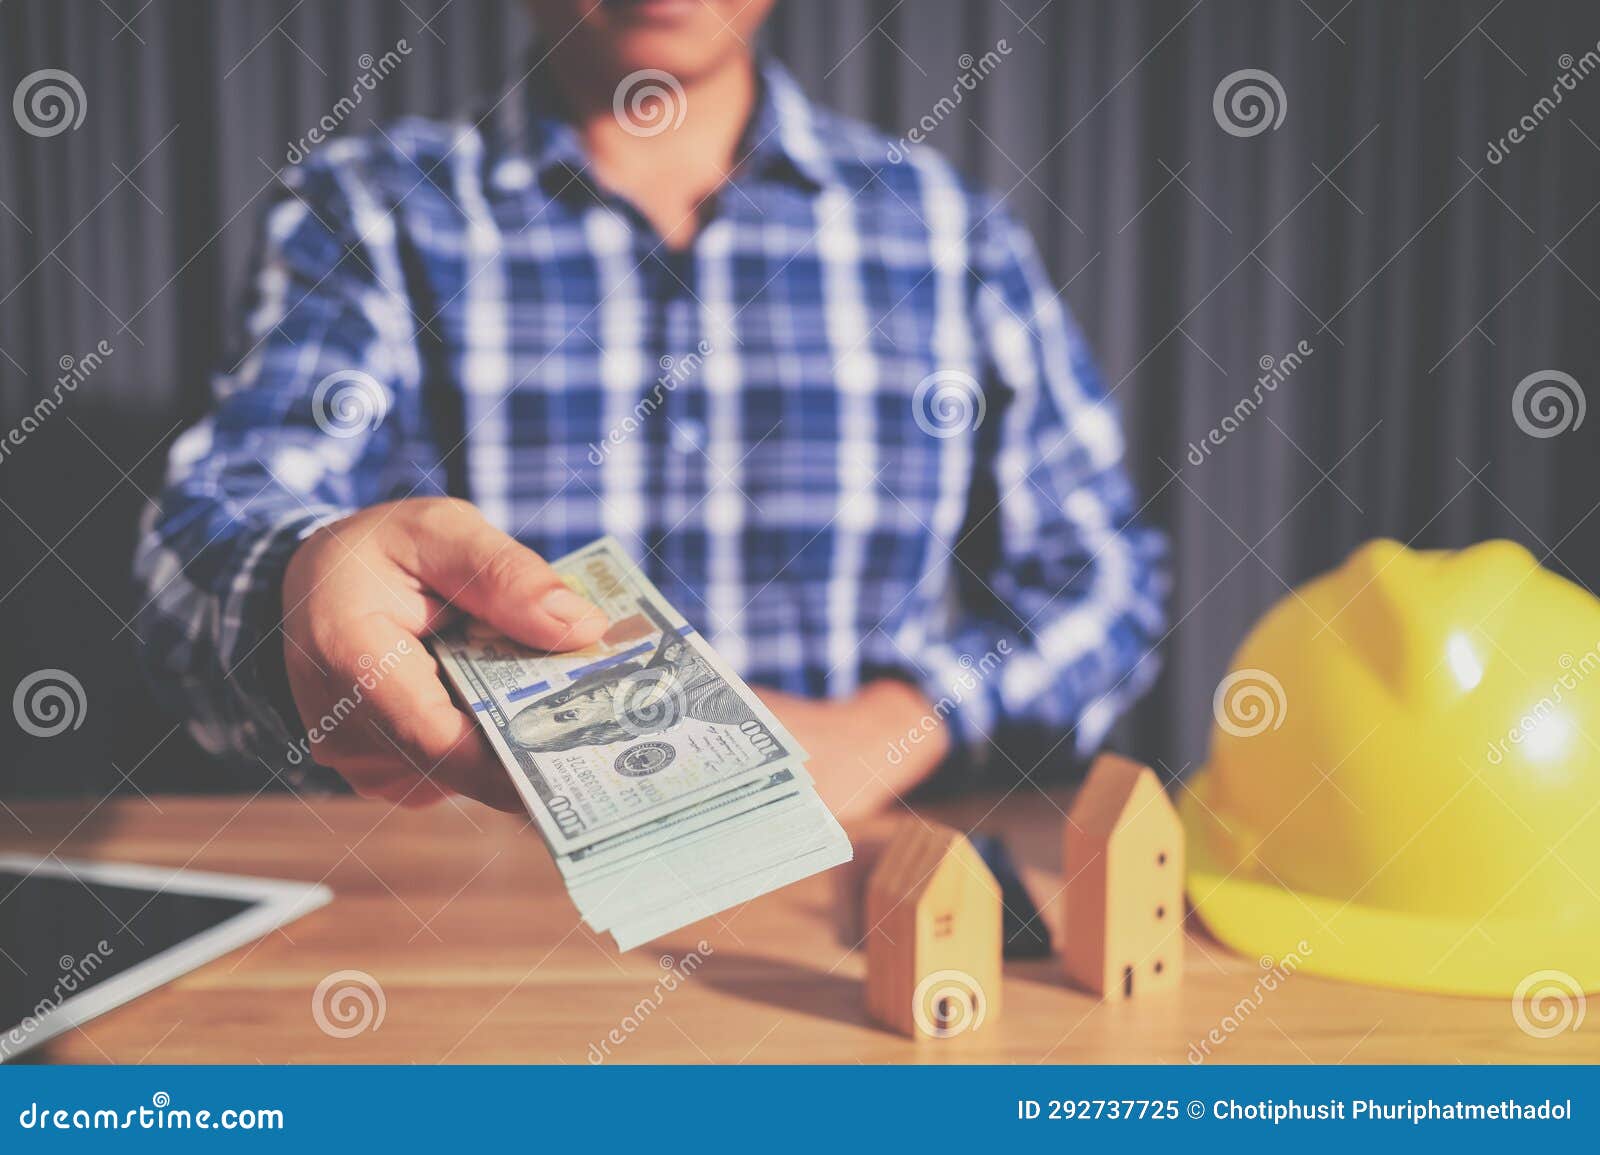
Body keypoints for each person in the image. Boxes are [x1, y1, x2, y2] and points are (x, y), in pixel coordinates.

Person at [133, 0, 1168, 819]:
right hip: (458, 912)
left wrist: (904, 719)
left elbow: (1106, 580)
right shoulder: (370, 210)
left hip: (844, 902)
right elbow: (204, 538)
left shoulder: (946, 233)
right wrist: (294, 587)